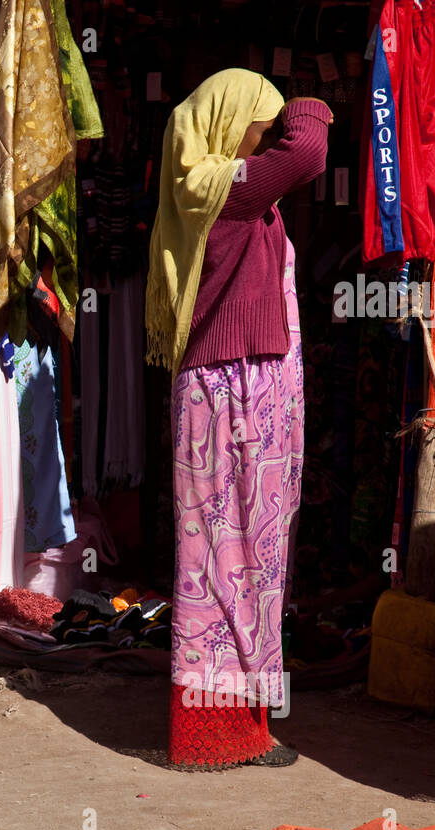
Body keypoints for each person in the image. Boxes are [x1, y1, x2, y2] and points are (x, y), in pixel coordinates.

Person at [145, 69, 331, 770]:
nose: (273, 136)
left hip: (248, 391)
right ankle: (218, 734)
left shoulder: (233, 190)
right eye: (263, 122)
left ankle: (245, 723)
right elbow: (309, 150)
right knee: (223, 559)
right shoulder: (218, 186)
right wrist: (305, 103)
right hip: (230, 398)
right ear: (229, 125)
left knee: (252, 558)